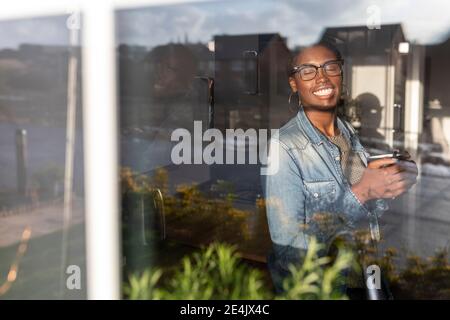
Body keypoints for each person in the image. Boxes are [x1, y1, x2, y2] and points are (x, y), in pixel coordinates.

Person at [262, 41, 418, 295]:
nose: (322, 77)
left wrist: (393, 178)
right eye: (308, 71)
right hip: (325, 288)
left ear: (341, 73)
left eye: (330, 67)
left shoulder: (346, 132)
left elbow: (367, 207)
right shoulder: (284, 146)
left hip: (364, 275)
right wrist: (363, 192)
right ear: (294, 82)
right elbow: (290, 252)